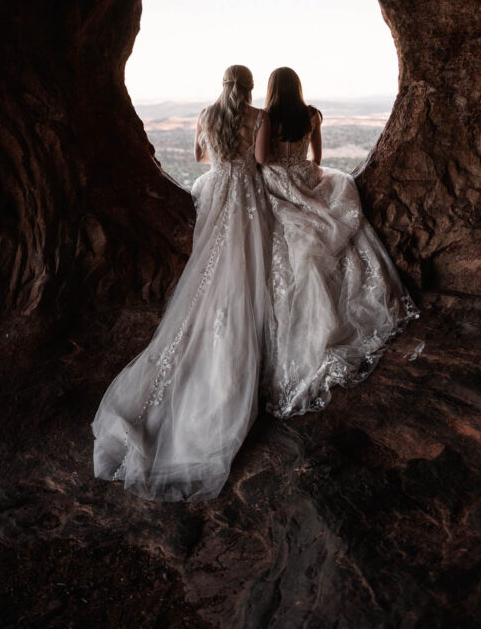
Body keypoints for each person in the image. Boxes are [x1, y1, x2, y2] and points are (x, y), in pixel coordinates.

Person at [92, 65, 272, 501]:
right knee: (245, 274)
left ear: (222, 84)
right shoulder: (260, 116)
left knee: (207, 274)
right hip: (248, 200)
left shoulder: (205, 115)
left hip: (215, 198)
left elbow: (198, 159)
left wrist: (223, 159)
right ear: (248, 86)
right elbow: (263, 162)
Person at [260, 67, 418, 419]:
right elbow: (316, 158)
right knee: (330, 230)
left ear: (271, 89)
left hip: (276, 183)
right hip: (305, 176)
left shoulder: (264, 119)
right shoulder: (313, 115)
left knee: (284, 241)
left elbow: (262, 160)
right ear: (298, 88)